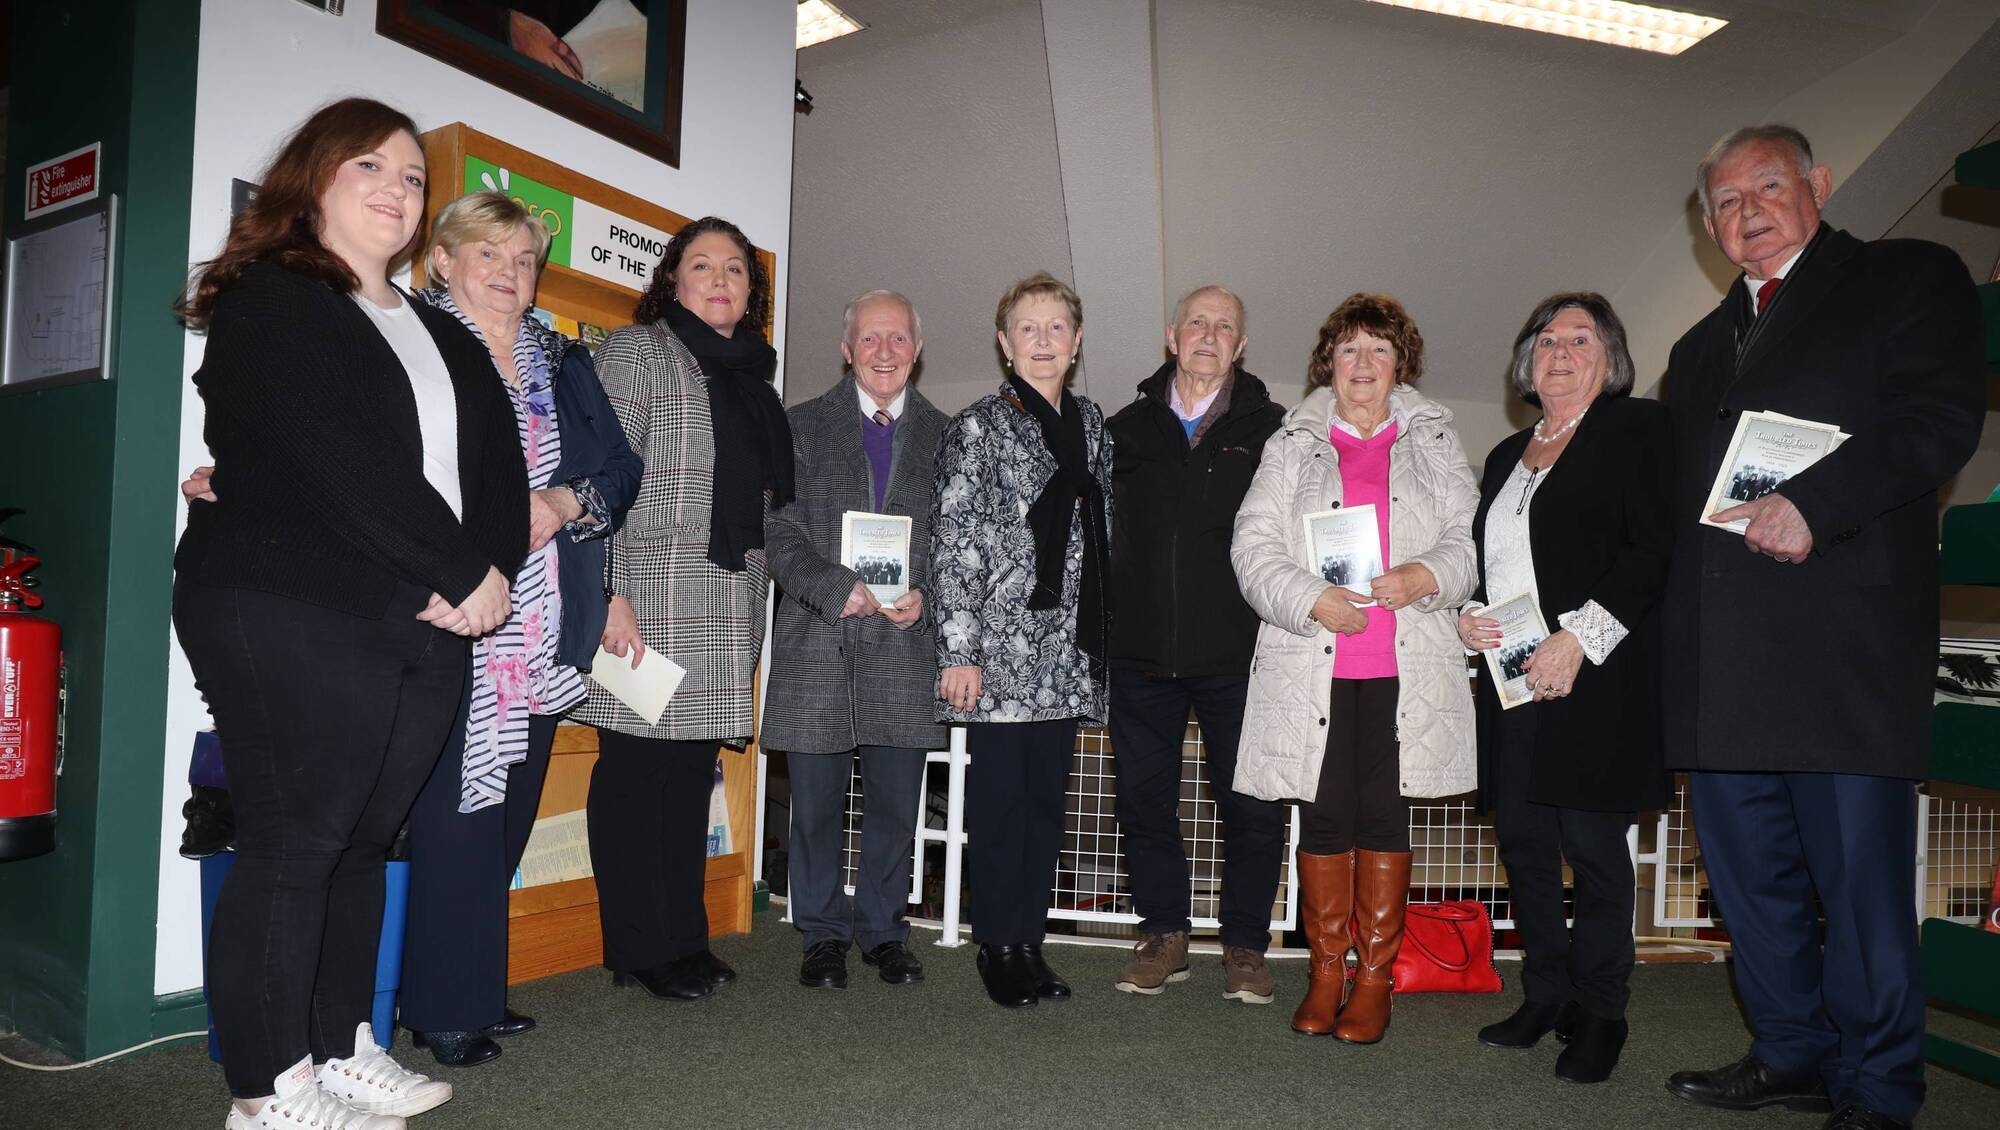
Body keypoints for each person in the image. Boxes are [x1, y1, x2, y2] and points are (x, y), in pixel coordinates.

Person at [173, 98, 526, 1129]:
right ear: (313, 180)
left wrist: (484, 574)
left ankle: (335, 1044)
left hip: (422, 611)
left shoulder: (435, 329)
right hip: (289, 599)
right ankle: (265, 1088)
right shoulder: (273, 298)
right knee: (295, 839)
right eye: (369, 165)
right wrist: (455, 569)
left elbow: (491, 468)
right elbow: (336, 462)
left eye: (412, 176)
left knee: (367, 839)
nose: (396, 189)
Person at [1659, 125, 1985, 1130]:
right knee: (1750, 891)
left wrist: (1817, 502)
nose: (1744, 210)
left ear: (1817, 185)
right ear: (1707, 226)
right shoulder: (1692, 347)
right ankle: (1789, 1048)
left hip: (1841, 654)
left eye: (1765, 185)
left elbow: (1935, 418)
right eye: (1723, 200)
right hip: (1720, 666)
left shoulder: (1906, 277)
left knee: (1859, 894)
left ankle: (1879, 1086)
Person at [396, 192, 640, 1064]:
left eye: (524, 260)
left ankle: (474, 986)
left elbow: (620, 465)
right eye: (488, 255)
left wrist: (564, 498)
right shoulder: (409, 344)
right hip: (450, 614)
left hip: (544, 623)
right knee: (458, 812)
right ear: (444, 261)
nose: (509, 274)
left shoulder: (564, 359)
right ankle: (443, 1007)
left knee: (509, 810)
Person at [1230, 292, 1478, 1044]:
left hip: (1408, 667)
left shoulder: (1436, 438)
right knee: (1323, 815)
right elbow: (1252, 549)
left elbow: (1470, 544)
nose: (1362, 364)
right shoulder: (1291, 442)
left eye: (1378, 350)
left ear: (1400, 362)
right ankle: (1325, 972)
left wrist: (1425, 577)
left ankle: (1374, 980)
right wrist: (1311, 599)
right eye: (1348, 351)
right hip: (1313, 665)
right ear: (1327, 364)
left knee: (1384, 817)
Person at [567, 216, 793, 1002]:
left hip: (727, 602)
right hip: (649, 594)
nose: (721, 279)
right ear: (673, 280)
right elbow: (602, 477)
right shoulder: (638, 352)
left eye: (736, 268)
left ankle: (683, 940)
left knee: (689, 773)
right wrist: (607, 593)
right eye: (703, 265)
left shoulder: (753, 383)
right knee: (637, 774)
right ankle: (638, 947)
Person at [1459, 293, 1672, 1083]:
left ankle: (1601, 1012)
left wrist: (1579, 639)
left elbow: (1653, 549)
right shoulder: (1507, 453)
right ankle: (1544, 993)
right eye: (1547, 339)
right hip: (1513, 683)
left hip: (1598, 676)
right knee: (1524, 843)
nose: (1561, 351)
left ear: (1609, 359)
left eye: (1580, 339)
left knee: (1594, 851)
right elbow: (1500, 566)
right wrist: (1471, 618)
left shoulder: (1638, 429)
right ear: (1527, 360)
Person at [932, 271, 1112, 1009]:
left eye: (1056, 328)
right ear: (1006, 346)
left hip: (1065, 654)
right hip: (1000, 654)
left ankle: (1030, 941)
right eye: (1027, 330)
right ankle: (998, 945)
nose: (1043, 342)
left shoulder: (1095, 423)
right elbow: (955, 541)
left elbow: (1100, 539)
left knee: (1045, 807)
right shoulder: (978, 424)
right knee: (1001, 808)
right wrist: (958, 651)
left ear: (1076, 343)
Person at [1104, 285, 1288, 1002]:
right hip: (1140, 656)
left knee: (1250, 805)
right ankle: (1164, 936)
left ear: (1240, 346)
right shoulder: (1123, 429)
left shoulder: (1275, 431)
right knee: (1145, 801)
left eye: (1225, 327)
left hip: (1238, 657)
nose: (1209, 335)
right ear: (1171, 335)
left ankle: (1244, 945)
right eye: (1197, 323)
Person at [764, 290, 949, 990]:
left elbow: (959, 542)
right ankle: (821, 935)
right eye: (869, 339)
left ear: (917, 349)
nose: (883, 352)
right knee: (813, 806)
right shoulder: (801, 426)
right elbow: (776, 529)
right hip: (818, 637)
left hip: (904, 645)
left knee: (897, 807)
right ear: (846, 349)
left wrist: (929, 593)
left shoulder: (947, 434)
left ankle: (884, 933)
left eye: (897, 339)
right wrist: (830, 583)